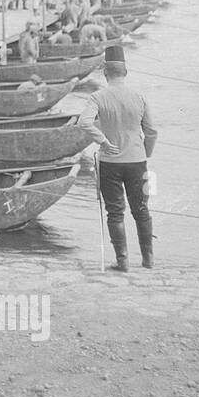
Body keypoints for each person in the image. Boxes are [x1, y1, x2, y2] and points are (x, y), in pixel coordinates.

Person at [79, 46, 158, 272]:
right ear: (126, 72)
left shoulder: (97, 96)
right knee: (141, 209)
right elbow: (151, 131)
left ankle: (122, 261)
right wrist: (145, 152)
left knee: (115, 211)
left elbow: (84, 123)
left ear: (105, 72)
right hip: (137, 161)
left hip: (110, 163)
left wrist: (102, 140)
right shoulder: (139, 97)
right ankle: (148, 259)